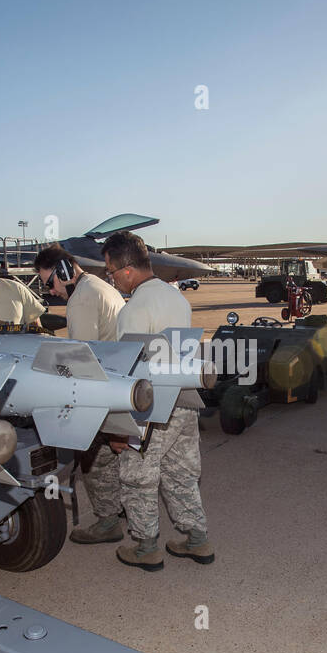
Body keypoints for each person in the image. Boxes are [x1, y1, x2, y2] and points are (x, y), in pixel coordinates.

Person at [102, 231, 210, 571]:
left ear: (128, 271)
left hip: (152, 405)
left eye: (112, 272)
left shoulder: (134, 309)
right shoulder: (175, 296)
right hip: (185, 399)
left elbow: (129, 372)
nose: (112, 278)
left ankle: (146, 547)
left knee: (137, 475)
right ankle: (197, 540)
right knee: (181, 473)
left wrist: (120, 429)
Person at [34, 245, 128, 546]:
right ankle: (120, 505)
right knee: (116, 455)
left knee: (93, 456)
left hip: (101, 389)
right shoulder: (101, 285)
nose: (52, 291)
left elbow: (81, 359)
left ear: (64, 271)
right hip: (120, 380)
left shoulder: (81, 299)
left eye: (51, 283)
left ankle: (107, 521)